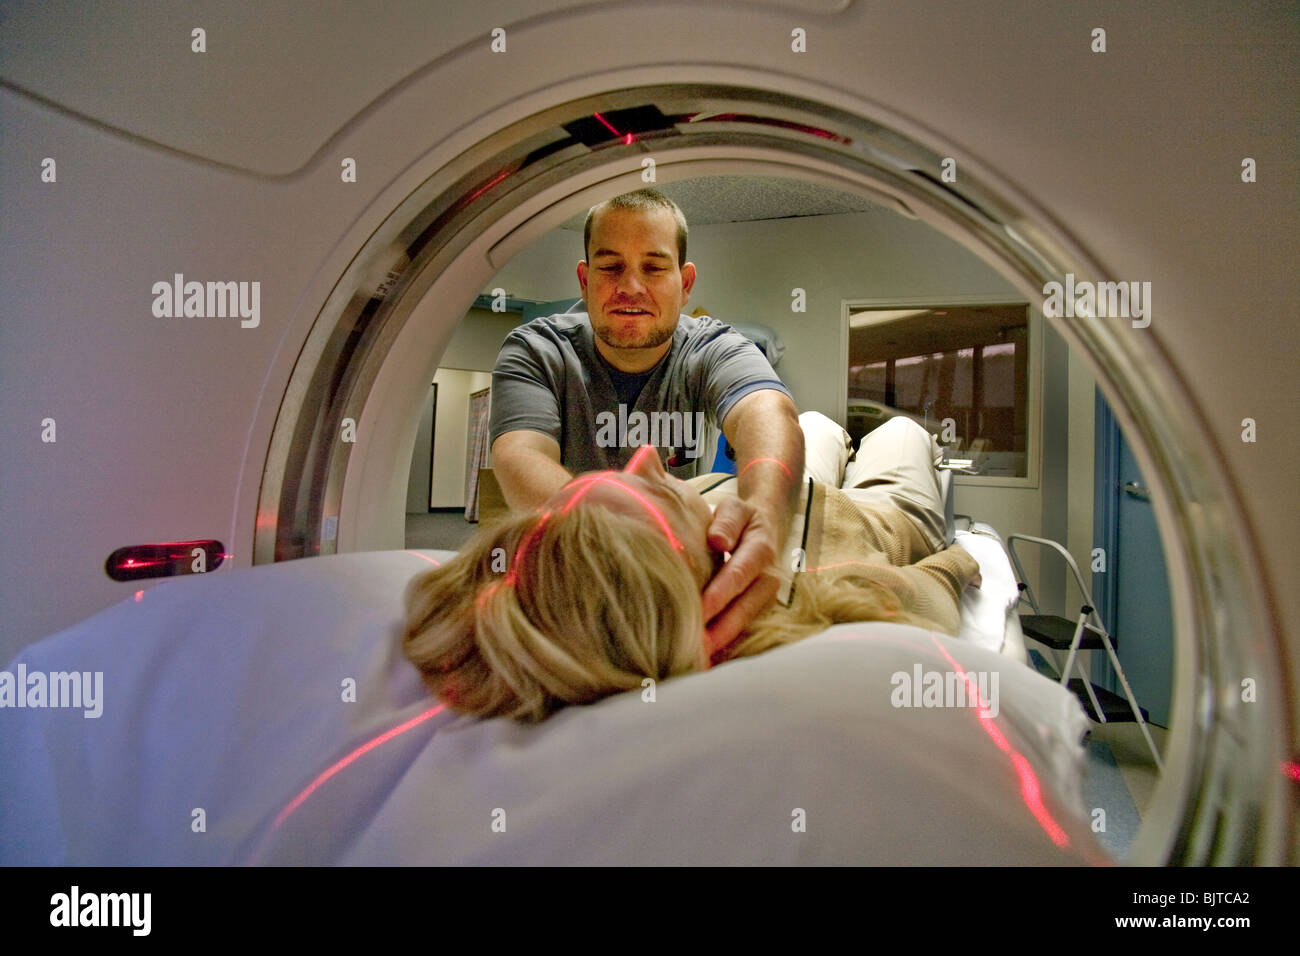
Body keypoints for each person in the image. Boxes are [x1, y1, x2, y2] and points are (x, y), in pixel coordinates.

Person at [404, 413, 982, 722]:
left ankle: (825, 436)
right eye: (655, 488)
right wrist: (972, 551)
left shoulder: (673, 544)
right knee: (898, 431)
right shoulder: (833, 597)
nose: (649, 455)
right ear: (714, 586)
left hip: (765, 486)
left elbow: (763, 409)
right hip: (873, 517)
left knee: (813, 423)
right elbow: (939, 578)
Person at [487, 187, 805, 651]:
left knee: (826, 433)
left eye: (654, 268)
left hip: (683, 534)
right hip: (606, 550)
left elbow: (768, 411)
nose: (631, 287)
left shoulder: (713, 346)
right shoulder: (536, 350)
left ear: (685, 281)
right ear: (584, 278)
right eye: (610, 266)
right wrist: (628, 548)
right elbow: (519, 455)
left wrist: (769, 520)